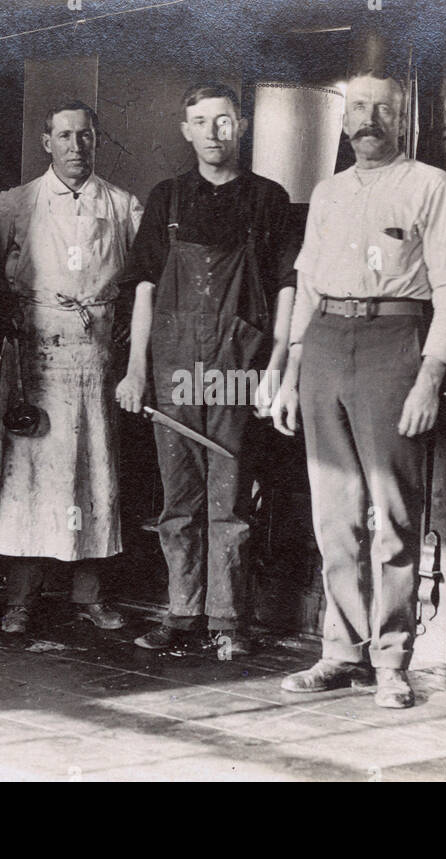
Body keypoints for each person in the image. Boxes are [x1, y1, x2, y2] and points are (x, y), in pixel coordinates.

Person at [270, 70, 446, 708]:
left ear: (400, 117)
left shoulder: (430, 186)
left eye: (381, 109)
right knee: (333, 516)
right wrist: (291, 372)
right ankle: (339, 652)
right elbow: (306, 286)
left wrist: (429, 377)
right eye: (357, 108)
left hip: (395, 343)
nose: (368, 119)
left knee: (392, 514)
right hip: (325, 342)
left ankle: (391, 661)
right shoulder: (327, 193)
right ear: (344, 119)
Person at [117, 82, 298, 656]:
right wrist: (135, 371)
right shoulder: (166, 199)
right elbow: (143, 290)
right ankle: (182, 615)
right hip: (172, 367)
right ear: (186, 129)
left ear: (239, 126)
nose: (214, 132)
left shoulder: (268, 199)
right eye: (201, 121)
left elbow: (288, 287)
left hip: (236, 367)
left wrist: (277, 363)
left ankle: (229, 620)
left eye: (224, 121)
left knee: (231, 500)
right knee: (178, 501)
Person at [0, 100, 142, 634]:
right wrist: (8, 317)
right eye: (65, 136)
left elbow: (144, 281)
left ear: (97, 142)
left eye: (86, 137)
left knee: (95, 468)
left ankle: (90, 595)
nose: (76, 147)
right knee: (29, 474)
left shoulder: (123, 207)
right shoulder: (14, 205)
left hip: (97, 355)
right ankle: (20, 599)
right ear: (46, 141)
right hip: (35, 355)